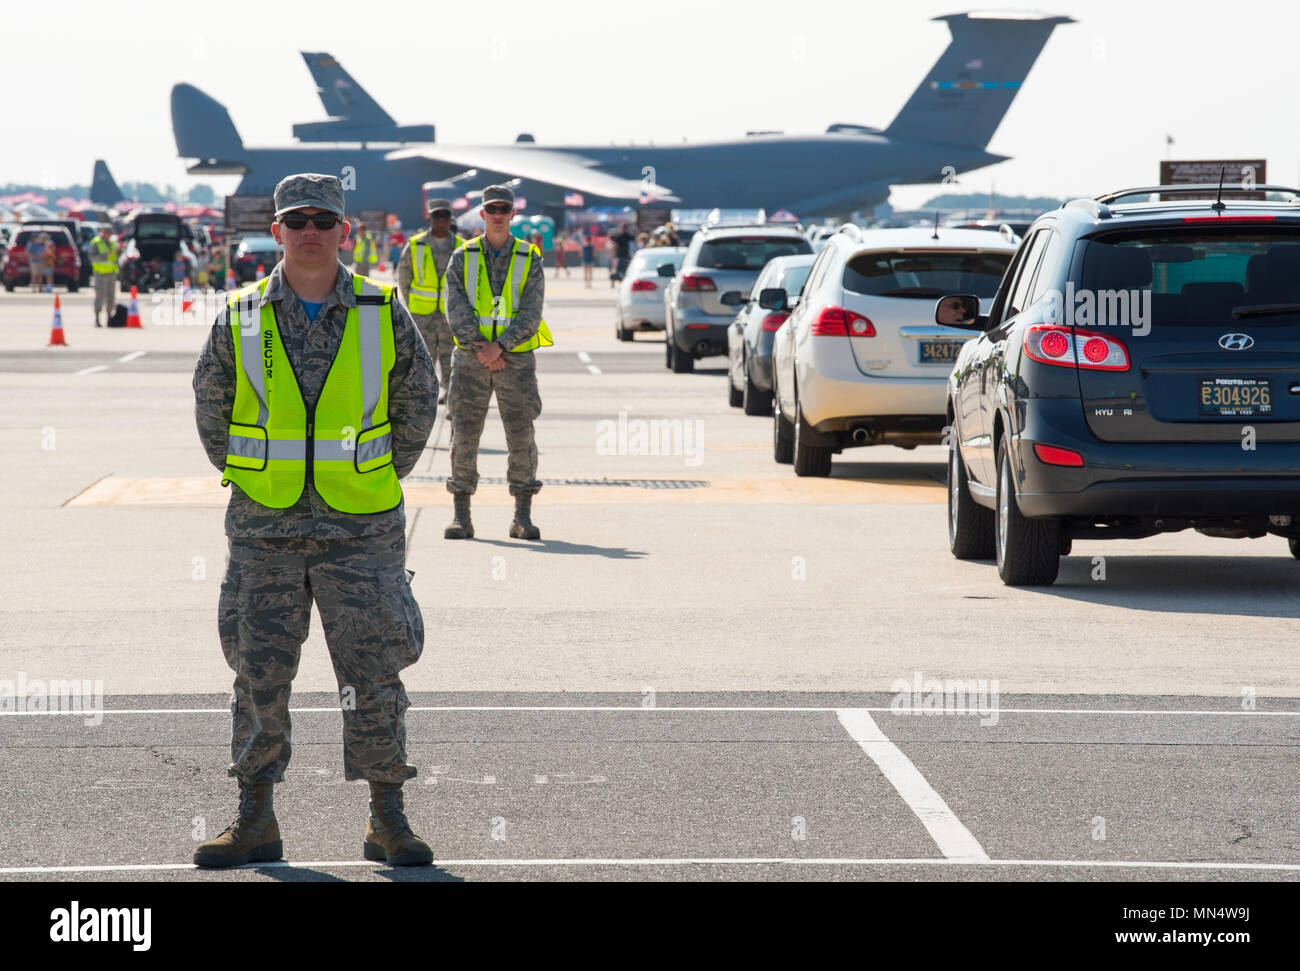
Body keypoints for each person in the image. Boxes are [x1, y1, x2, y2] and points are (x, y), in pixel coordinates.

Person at [190, 173, 437, 869]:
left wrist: (378, 472)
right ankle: (255, 818)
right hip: (264, 528)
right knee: (259, 674)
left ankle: (388, 817)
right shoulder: (240, 314)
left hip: (361, 529)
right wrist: (251, 473)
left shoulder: (381, 309)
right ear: (276, 231)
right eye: (296, 219)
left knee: (375, 672)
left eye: (322, 220)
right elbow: (212, 406)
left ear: (343, 232)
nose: (309, 231)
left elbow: (419, 400)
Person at [442, 184, 553, 541]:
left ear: (513, 214)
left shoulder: (529, 257)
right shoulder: (462, 256)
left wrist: (500, 347)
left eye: (505, 209)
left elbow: (532, 311)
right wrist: (481, 349)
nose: (499, 215)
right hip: (471, 361)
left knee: (521, 436)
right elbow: (455, 307)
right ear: (483, 214)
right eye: (493, 209)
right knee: (464, 434)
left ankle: (522, 516)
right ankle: (462, 516)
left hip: (515, 362)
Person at [396, 198, 466, 407]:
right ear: (429, 217)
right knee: (421, 362)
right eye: (437, 215)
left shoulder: (463, 247)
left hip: (451, 317)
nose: (441, 220)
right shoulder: (416, 244)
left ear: (450, 218)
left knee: (451, 362)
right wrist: (413, 307)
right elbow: (404, 278)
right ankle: (423, 401)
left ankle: (452, 400)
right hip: (422, 316)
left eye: (445, 215)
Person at [89, 226, 119, 327]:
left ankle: (109, 318)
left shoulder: (112, 243)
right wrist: (106, 255)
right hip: (100, 274)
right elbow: (93, 257)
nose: (108, 235)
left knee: (111, 297)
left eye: (109, 234)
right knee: (100, 297)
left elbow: (114, 258)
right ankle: (97, 318)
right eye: (106, 233)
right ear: (102, 233)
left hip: (111, 273)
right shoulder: (96, 243)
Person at [609, 221, 635, 287]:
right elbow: (615, 246)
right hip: (621, 256)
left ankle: (622, 284)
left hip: (625, 256)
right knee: (618, 271)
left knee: (622, 271)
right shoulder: (620, 237)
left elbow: (614, 246)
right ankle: (615, 282)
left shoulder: (627, 236)